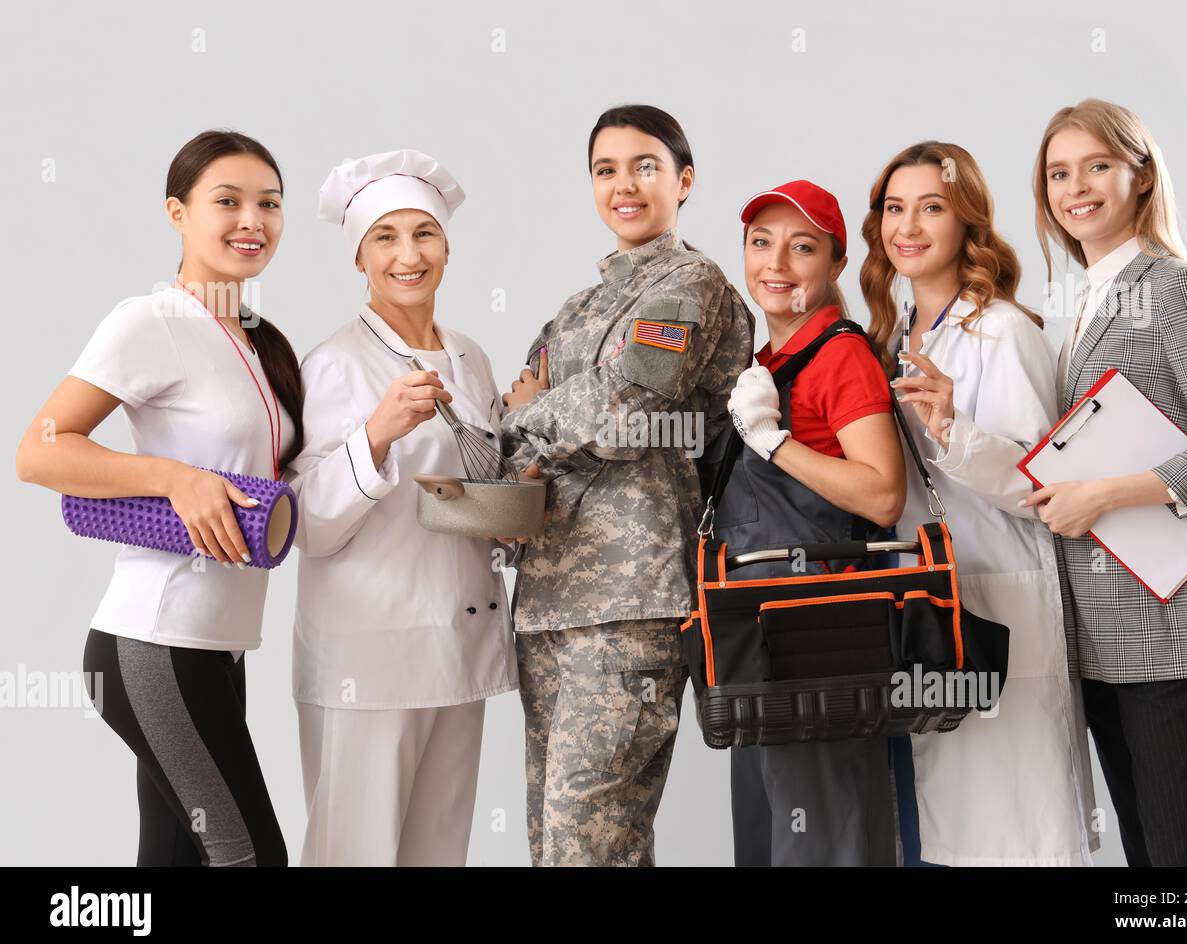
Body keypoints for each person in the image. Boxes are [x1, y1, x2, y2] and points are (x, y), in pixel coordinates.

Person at [15, 130, 301, 866]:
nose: (252, 221)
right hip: (155, 643)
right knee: (249, 858)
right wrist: (177, 479)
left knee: (174, 861)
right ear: (177, 213)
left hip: (218, 648)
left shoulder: (257, 340)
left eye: (268, 204)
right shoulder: (151, 322)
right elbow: (39, 450)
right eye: (227, 201)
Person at [1024, 99, 1187, 866]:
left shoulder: (1172, 288)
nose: (1077, 187)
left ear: (1140, 175)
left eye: (1097, 165)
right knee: (1150, 857)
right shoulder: (1082, 299)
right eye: (1059, 172)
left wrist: (1104, 495)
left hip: (1168, 627)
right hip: (1100, 633)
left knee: (1181, 859)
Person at [499, 104, 754, 866]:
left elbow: (627, 409)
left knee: (593, 843)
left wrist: (533, 417)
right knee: (553, 840)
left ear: (684, 179)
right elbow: (513, 440)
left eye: (645, 166)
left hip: (633, 601)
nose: (625, 185)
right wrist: (530, 434)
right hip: (547, 600)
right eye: (605, 170)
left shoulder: (693, 284)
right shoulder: (577, 308)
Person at [867, 141, 1098, 865]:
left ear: (967, 221)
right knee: (933, 831)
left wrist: (950, 427)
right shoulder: (889, 338)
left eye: (931, 207)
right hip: (917, 611)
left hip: (998, 604)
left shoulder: (1004, 331)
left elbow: (1045, 488)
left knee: (1010, 833)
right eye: (894, 209)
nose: (908, 226)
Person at [287, 149, 519, 866]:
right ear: (360, 257)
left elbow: (478, 502)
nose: (407, 255)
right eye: (385, 238)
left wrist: (520, 454)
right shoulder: (333, 364)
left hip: (458, 646)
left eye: (423, 234)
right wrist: (378, 434)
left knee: (438, 853)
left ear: (447, 247)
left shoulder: (471, 358)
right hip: (370, 656)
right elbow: (310, 525)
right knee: (352, 854)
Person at [716, 179, 906, 866]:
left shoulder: (840, 356)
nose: (777, 264)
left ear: (834, 264)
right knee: (769, 841)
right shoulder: (766, 366)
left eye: (802, 248)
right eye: (761, 243)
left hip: (825, 639)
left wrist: (776, 443)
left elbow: (883, 495)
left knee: (825, 839)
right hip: (759, 635)